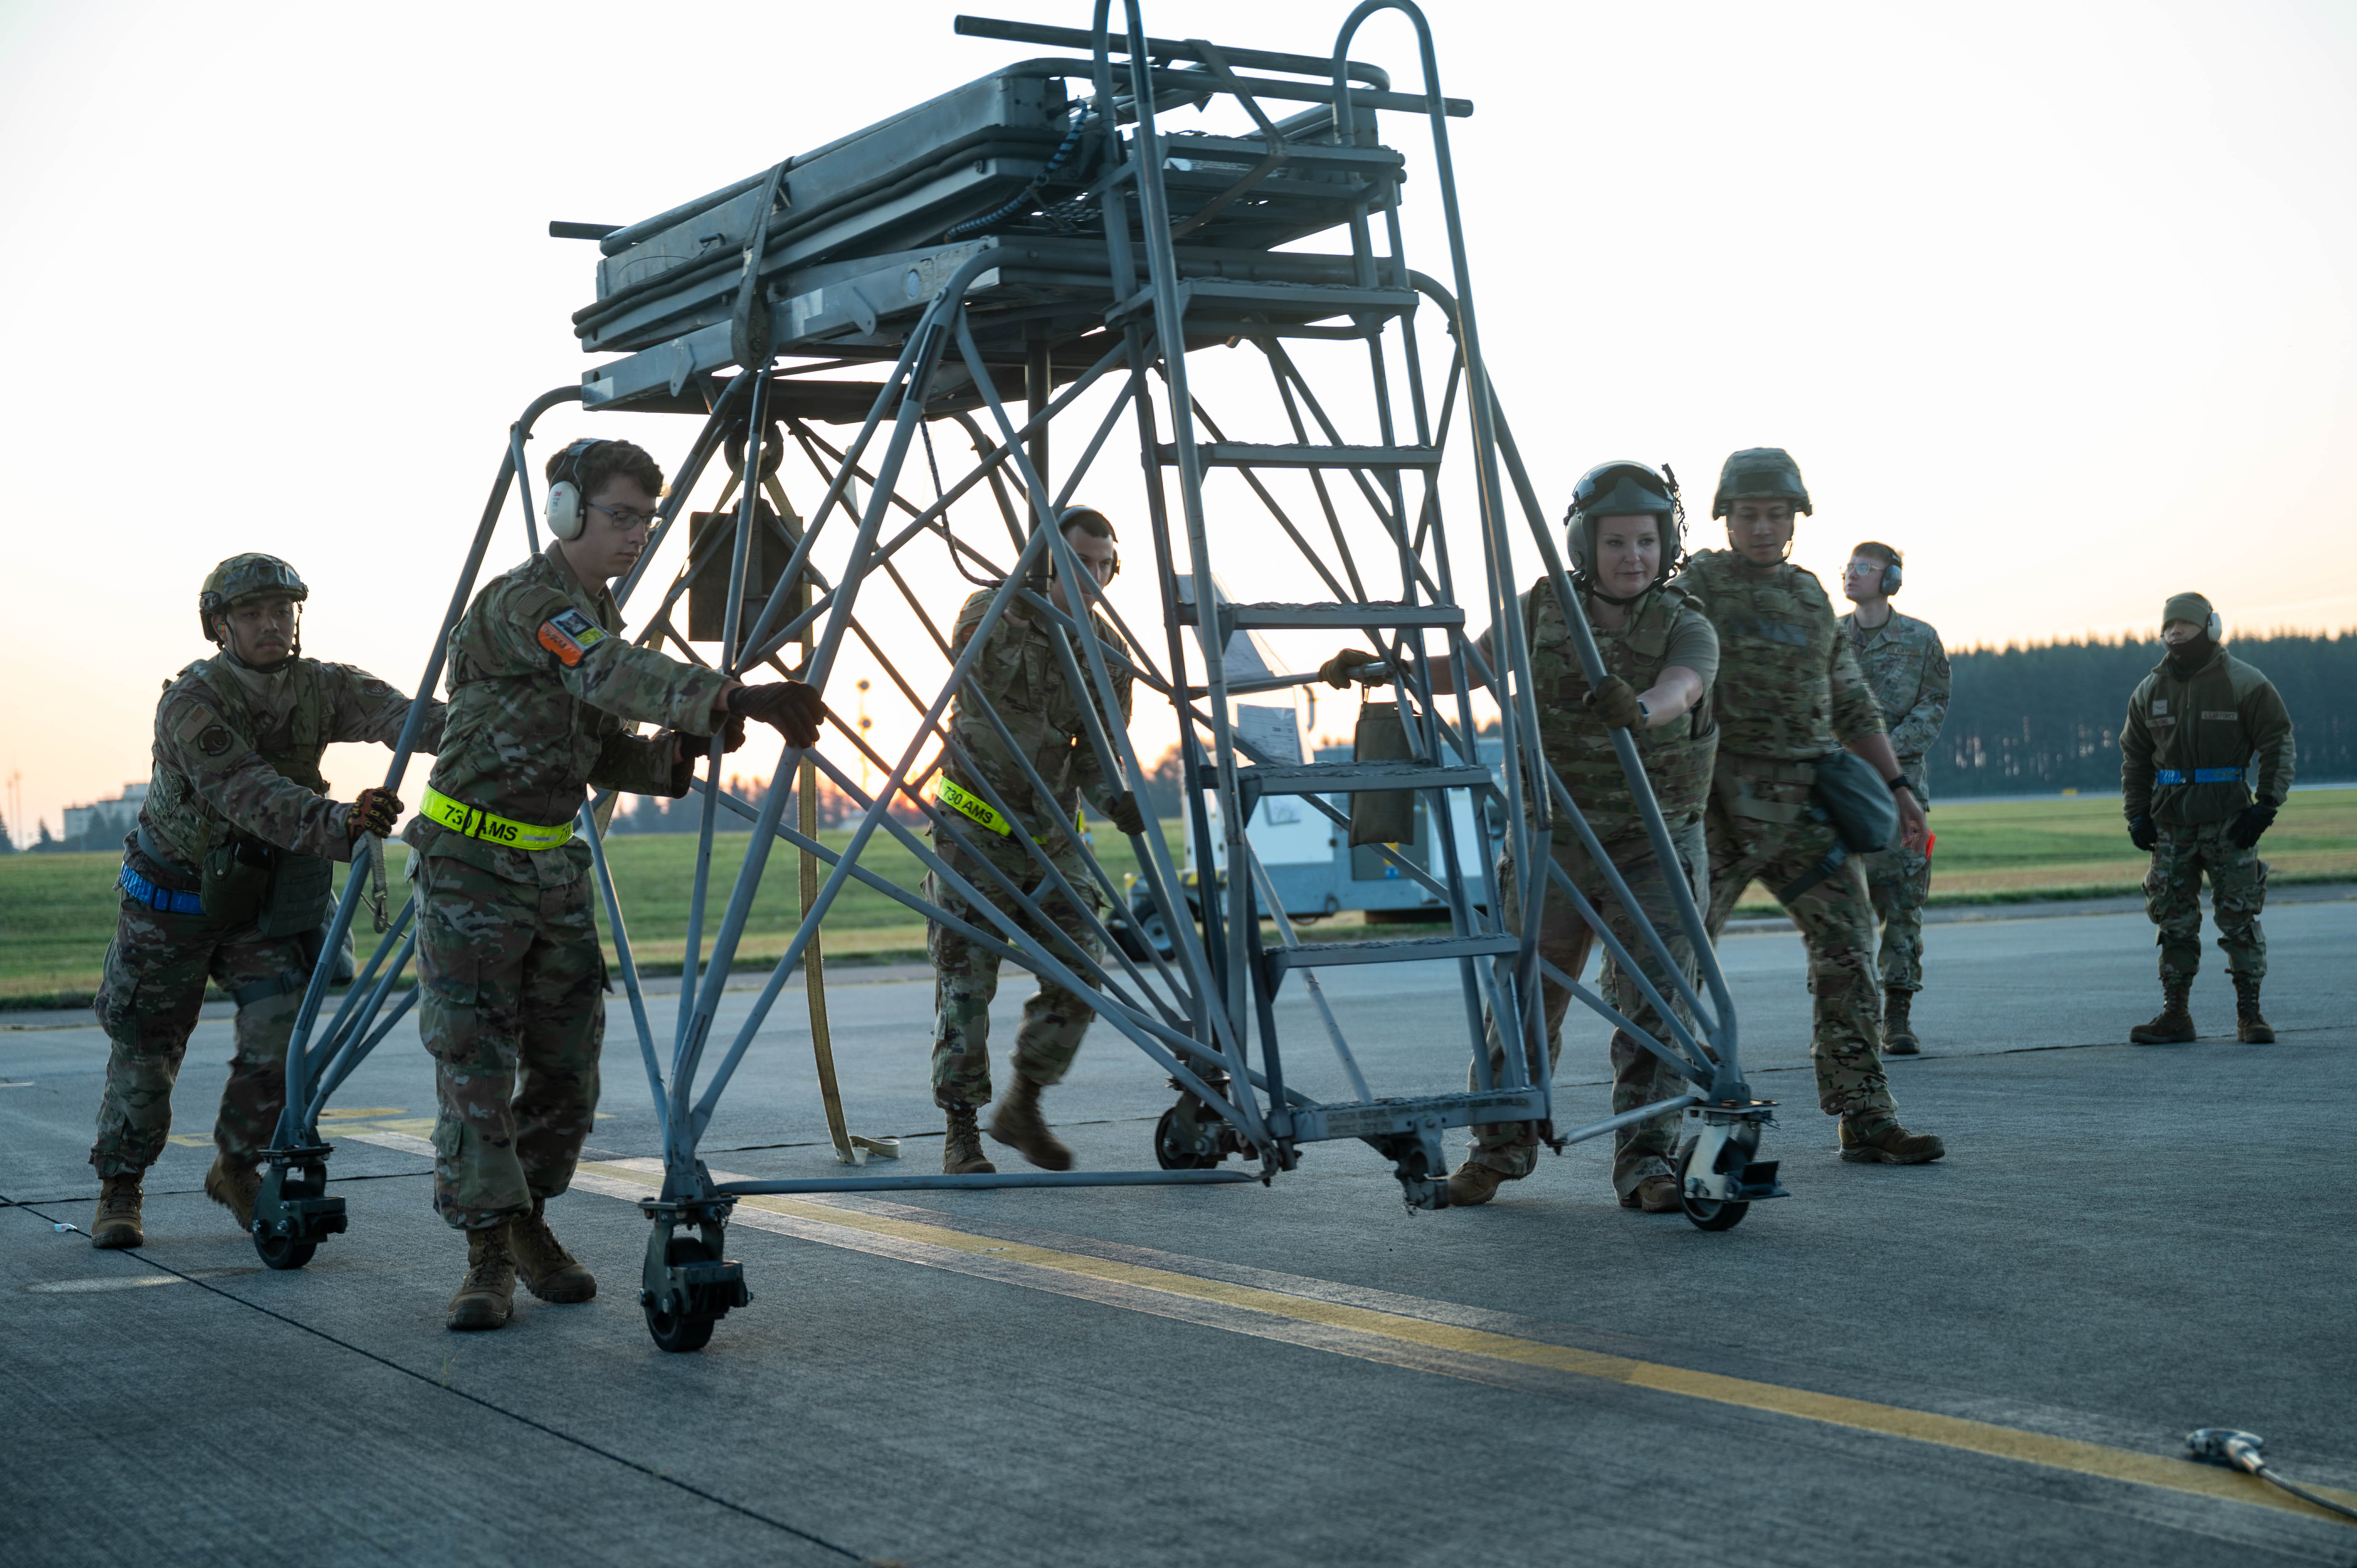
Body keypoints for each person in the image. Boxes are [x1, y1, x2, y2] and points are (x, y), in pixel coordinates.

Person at [411, 436, 824, 1331]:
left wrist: (673, 757)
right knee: (477, 1064)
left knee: (567, 1071)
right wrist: (729, 696)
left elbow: (597, 748)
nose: (638, 534)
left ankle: (527, 1217)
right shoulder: (529, 604)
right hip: (470, 866)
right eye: (622, 516)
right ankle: (488, 1255)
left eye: (648, 519)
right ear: (566, 511)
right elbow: (607, 671)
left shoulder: (592, 613)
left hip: (552, 866)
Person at [1319, 461, 1718, 1211]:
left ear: (1666, 545)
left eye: (1645, 540)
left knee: (1657, 1006)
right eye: (1615, 542)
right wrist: (1386, 666)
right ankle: (1497, 1151)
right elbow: (1469, 667)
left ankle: (1648, 1163)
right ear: (1583, 545)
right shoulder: (1541, 611)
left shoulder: (1685, 621)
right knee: (1522, 1000)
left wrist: (1638, 708)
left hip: (1653, 845)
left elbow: (1684, 685)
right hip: (1551, 843)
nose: (1632, 556)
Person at [88, 553, 441, 1249]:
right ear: (219, 626)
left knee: (282, 1037)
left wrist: (489, 731)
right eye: (252, 614)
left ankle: (238, 1167)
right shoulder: (192, 704)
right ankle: (120, 1186)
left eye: (283, 610)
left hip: (260, 906)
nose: (272, 625)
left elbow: (408, 718)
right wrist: (340, 822)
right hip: (171, 904)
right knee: (147, 1052)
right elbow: (249, 792)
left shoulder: (321, 686)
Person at [1678, 449, 1945, 1164]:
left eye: (1776, 515)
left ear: (1795, 520)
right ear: (1726, 519)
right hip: (1716, 805)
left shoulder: (1807, 597)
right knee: (1672, 964)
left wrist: (1897, 788)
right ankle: (1654, 1141)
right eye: (1749, 515)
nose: (1763, 528)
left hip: (1803, 806)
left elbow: (1850, 700)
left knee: (1849, 949)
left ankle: (1867, 1116)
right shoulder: (1696, 587)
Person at [929, 505, 1142, 1176]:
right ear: (1043, 563)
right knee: (966, 982)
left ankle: (1022, 1103)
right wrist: (1029, 604)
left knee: (1081, 970)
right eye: (1080, 563)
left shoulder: (1109, 654)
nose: (1094, 579)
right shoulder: (992, 613)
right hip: (975, 832)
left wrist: (1117, 800)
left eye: (1105, 565)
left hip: (1052, 838)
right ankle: (961, 1130)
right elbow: (968, 658)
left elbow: (1095, 755)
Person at [2120, 592, 2294, 1045]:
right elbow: (2135, 757)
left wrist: (2266, 805)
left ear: (2210, 628)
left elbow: (2277, 740)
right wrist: (2136, 813)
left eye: (2184, 623)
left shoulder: (2244, 682)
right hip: (2171, 822)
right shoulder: (2149, 691)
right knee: (2173, 921)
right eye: (2168, 625)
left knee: (2239, 918)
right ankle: (2175, 1015)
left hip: (2229, 820)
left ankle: (2250, 1015)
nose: (2174, 631)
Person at [1839, 542, 1950, 1054]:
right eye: (1848, 567)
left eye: (1864, 568)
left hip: (1900, 792)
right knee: (1838, 910)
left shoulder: (1921, 640)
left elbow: (1932, 708)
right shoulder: (1827, 638)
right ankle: (1842, 1019)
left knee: (1903, 905)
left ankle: (1897, 1018)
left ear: (1890, 580)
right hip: (1837, 790)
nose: (1851, 574)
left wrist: (1879, 753)